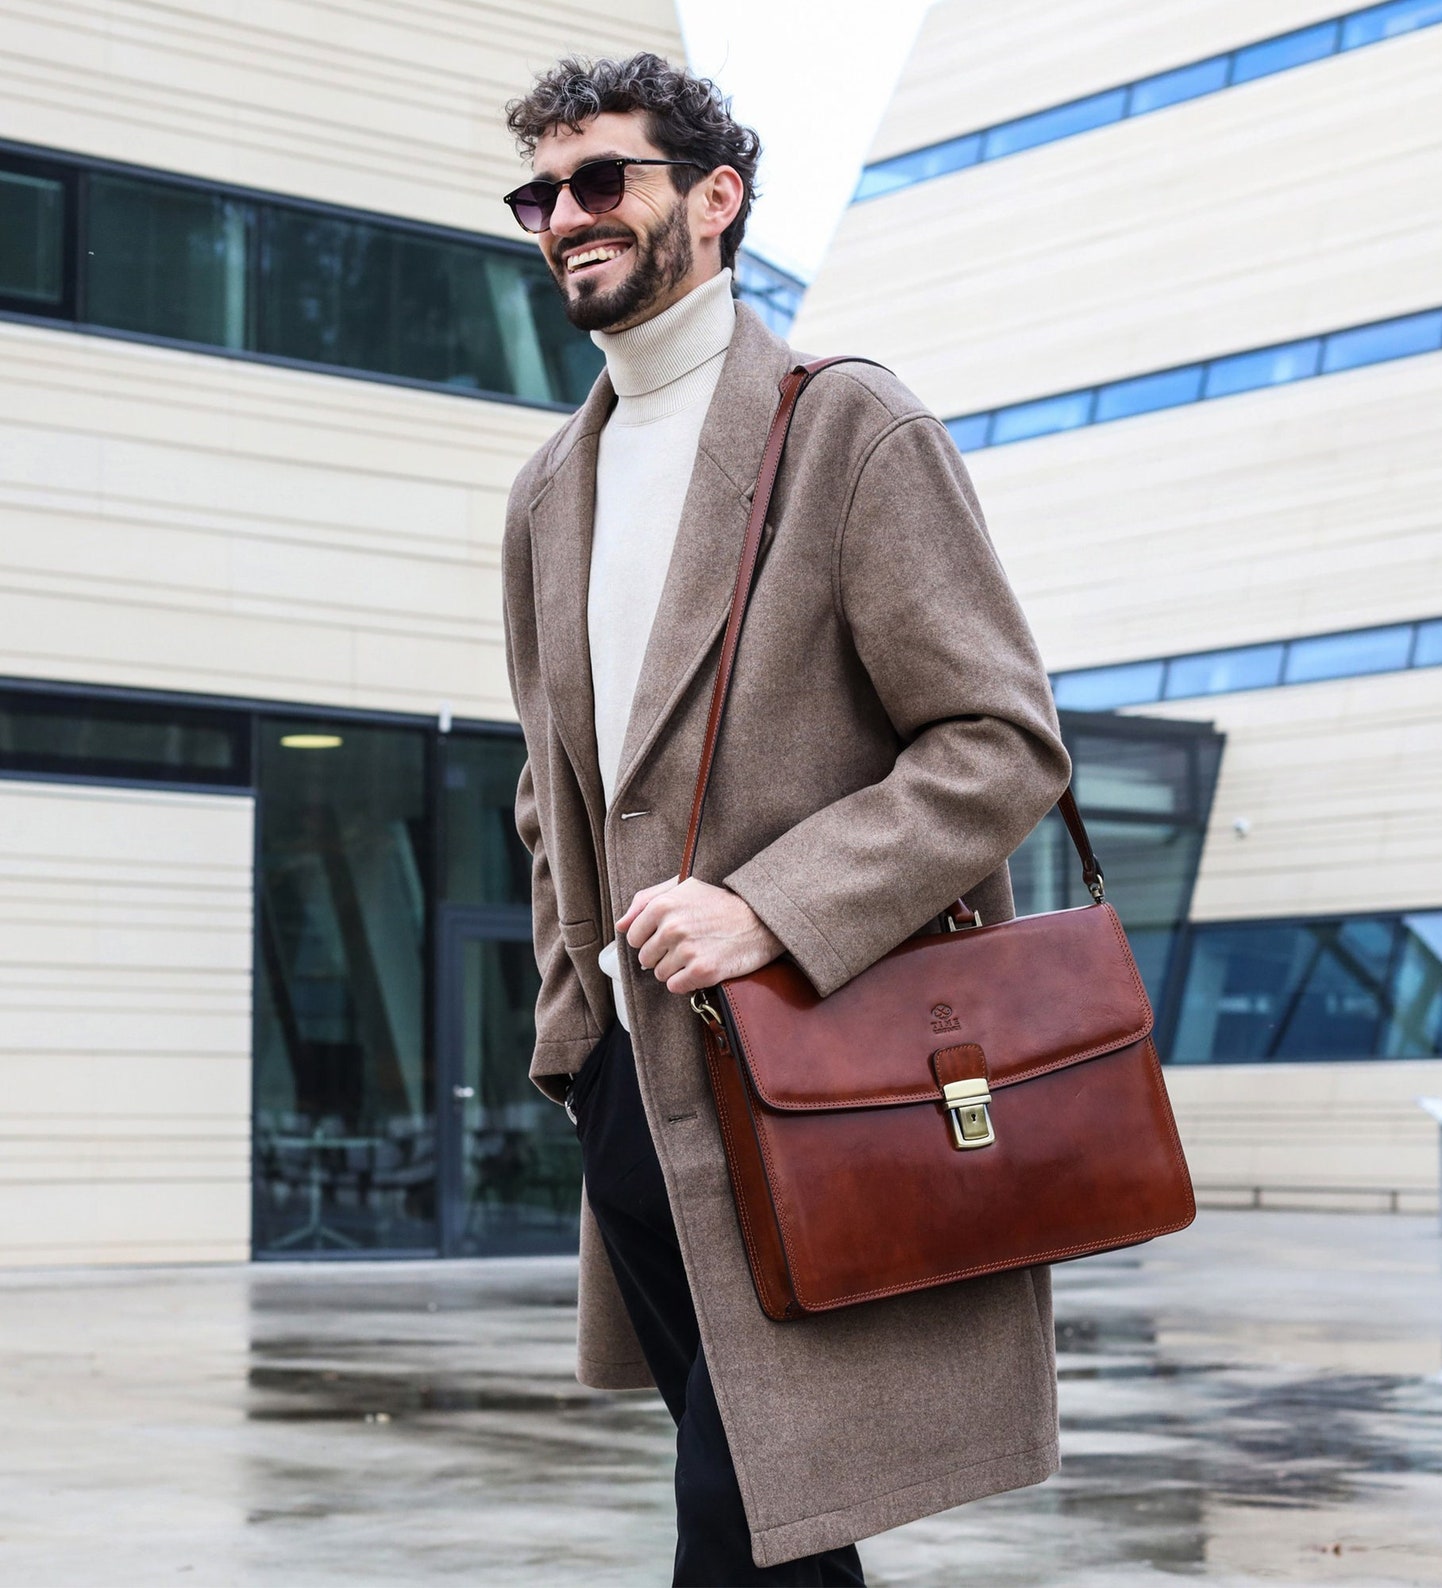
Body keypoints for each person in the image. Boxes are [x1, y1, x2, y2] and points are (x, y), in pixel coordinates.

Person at [500, 52, 1072, 1586]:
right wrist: (574, 1036)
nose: (566, 215)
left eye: (602, 178)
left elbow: (1001, 744)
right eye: (540, 196)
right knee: (780, 1534)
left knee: (746, 1525)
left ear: (716, 195)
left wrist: (769, 907)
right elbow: (551, 788)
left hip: (822, 1084)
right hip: (635, 1091)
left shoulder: (845, 432)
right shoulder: (550, 491)